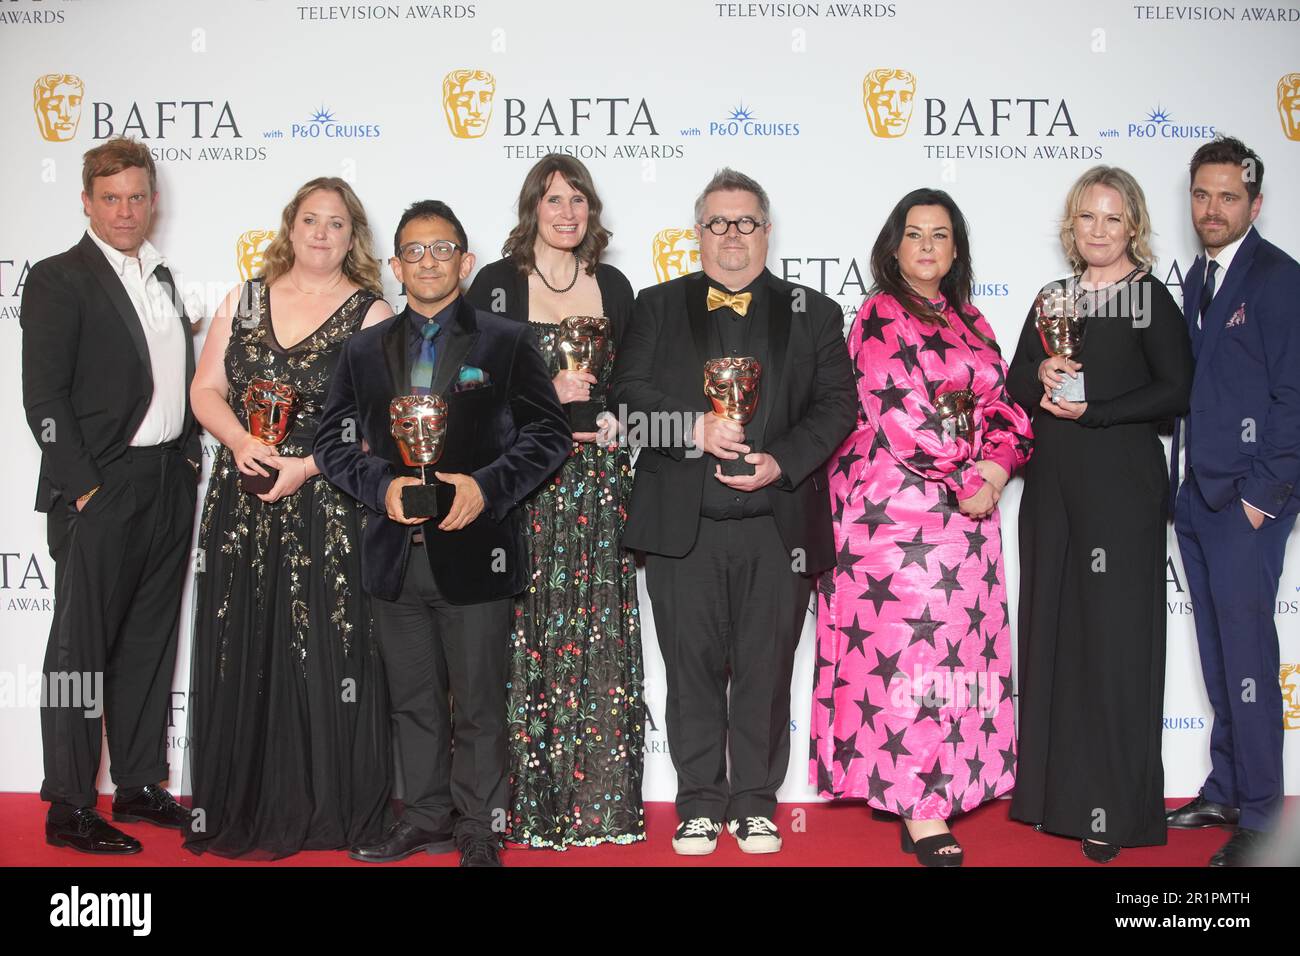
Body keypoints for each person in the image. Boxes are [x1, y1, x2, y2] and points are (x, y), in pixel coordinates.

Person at [314, 200, 571, 867]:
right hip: (395, 556)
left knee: (480, 704)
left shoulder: (508, 341)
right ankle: (425, 815)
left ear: (466, 259)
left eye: (442, 247)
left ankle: (479, 825)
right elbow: (334, 440)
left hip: (475, 550)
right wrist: (380, 486)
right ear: (396, 266)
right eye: (415, 251)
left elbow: (549, 434)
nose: (429, 261)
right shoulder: (362, 349)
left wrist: (485, 487)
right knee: (414, 701)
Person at [612, 168, 856, 856]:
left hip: (778, 529)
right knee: (689, 671)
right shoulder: (657, 306)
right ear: (698, 233)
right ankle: (698, 802)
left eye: (745, 222)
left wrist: (782, 460)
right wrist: (692, 428)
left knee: (764, 669)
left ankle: (754, 802)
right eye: (717, 223)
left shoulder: (815, 310)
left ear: (767, 231)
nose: (732, 237)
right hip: (680, 529)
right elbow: (627, 401)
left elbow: (838, 405)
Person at [811, 188, 1032, 866]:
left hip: (969, 518)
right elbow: (896, 411)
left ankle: (952, 781)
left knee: (959, 659)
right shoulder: (878, 316)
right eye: (915, 234)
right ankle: (918, 806)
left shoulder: (974, 320)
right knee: (909, 657)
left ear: (956, 248)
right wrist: (967, 475)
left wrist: (994, 471)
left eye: (941, 234)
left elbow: (1007, 409)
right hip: (895, 516)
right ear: (894, 247)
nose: (928, 246)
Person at [183, 178, 394, 858]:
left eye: (337, 223)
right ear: (290, 225)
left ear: (352, 235)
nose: (322, 233)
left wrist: (305, 468)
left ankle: (325, 808)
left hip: (325, 504)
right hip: (242, 500)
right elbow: (206, 388)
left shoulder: (372, 313)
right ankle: (243, 803)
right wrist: (242, 442)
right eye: (311, 219)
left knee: (324, 653)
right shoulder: (244, 297)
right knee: (239, 646)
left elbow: (378, 422)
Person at [1005, 167, 1193, 863]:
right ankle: (1052, 796)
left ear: (1134, 226)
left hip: (1120, 490)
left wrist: (1099, 411)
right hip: (1053, 486)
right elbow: (1013, 382)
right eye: (1089, 218)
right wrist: (1041, 377)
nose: (1100, 231)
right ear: (1072, 225)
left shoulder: (1149, 300)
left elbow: (1178, 391)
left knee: (1113, 648)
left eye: (1113, 219)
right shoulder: (1052, 298)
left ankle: (1111, 808)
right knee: (1056, 634)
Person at [21, 137, 202, 854]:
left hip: (165, 480)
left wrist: (186, 463)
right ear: (87, 202)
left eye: (136, 196)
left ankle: (135, 783)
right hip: (101, 483)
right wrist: (86, 488)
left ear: (153, 200)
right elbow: (44, 399)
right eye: (111, 198)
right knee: (79, 653)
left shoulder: (160, 276)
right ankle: (68, 805)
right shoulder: (60, 279)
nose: (125, 210)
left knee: (148, 640)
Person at [466, 155, 645, 849]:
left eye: (577, 200)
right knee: (521, 635)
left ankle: (595, 805)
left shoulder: (615, 285)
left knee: (596, 632)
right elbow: (470, 387)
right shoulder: (497, 286)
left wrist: (617, 418)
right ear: (531, 209)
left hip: (596, 487)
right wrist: (542, 394)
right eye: (553, 200)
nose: (567, 212)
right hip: (521, 483)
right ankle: (522, 807)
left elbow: (633, 381)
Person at [1167, 136, 1300, 867]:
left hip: (1245, 504)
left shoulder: (1279, 280)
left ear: (1254, 202)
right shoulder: (1200, 277)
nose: (1212, 209)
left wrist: (1263, 498)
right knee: (1220, 656)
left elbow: (1295, 398)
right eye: (1202, 194)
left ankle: (1260, 813)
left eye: (1227, 196)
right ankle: (1225, 785)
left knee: (1248, 654)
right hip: (1196, 497)